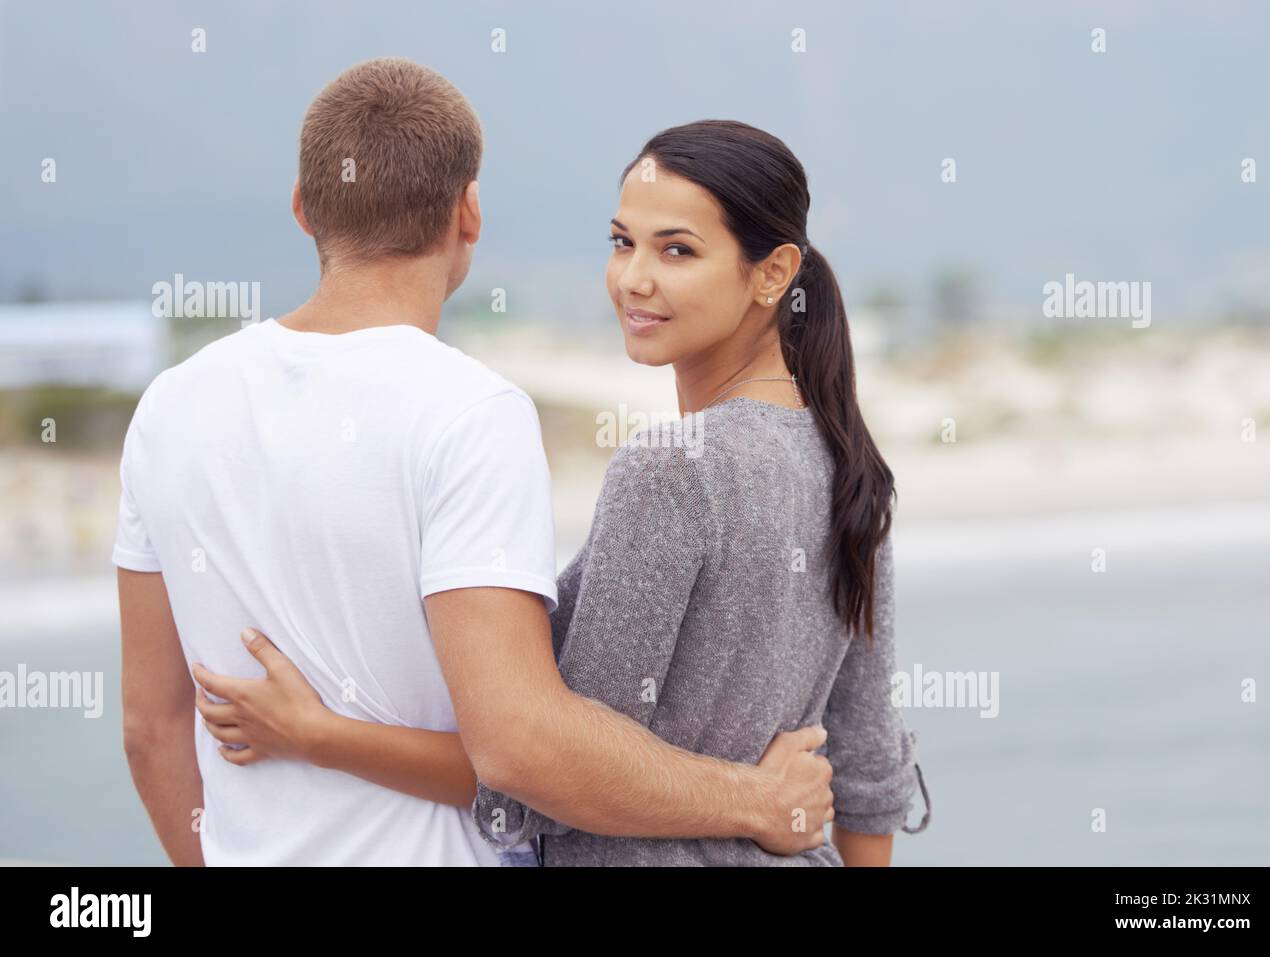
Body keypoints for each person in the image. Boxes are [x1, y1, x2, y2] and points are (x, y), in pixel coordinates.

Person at [114, 59, 833, 867]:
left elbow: (149, 729)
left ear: (302, 207)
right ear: (470, 211)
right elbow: (520, 747)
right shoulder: (469, 412)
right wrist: (758, 798)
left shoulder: (169, 407)